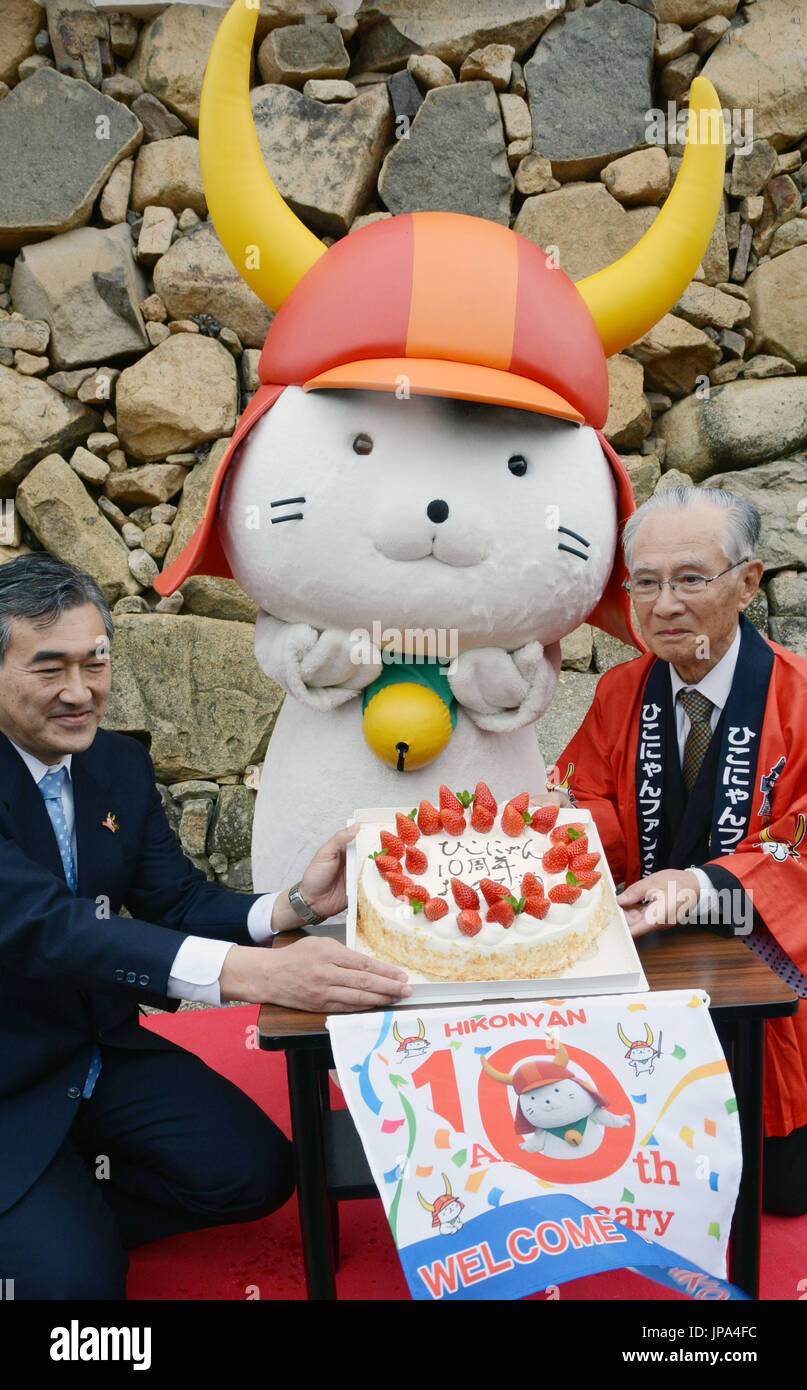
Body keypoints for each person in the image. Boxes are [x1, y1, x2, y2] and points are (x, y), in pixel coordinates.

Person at [0, 552, 410, 1299]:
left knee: (255, 1175)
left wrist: (298, 906)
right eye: (47, 668)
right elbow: (52, 928)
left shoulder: (116, 763)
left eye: (95, 663)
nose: (78, 691)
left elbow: (177, 898)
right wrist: (257, 975)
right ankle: (54, 1241)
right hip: (7, 1076)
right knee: (77, 1287)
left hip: (94, 1051)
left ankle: (66, 1216)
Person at [541, 486, 807, 1216]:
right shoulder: (620, 690)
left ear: (747, 582)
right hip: (645, 953)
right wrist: (557, 822)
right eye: (647, 582)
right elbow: (595, 805)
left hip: (764, 969)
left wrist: (697, 884)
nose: (663, 606)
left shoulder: (799, 699)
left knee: (779, 1195)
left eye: (691, 579)